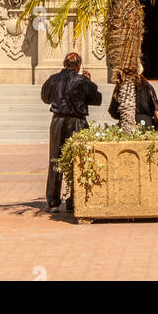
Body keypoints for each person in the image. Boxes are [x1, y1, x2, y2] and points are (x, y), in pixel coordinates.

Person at [40, 52, 102, 212]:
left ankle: (52, 201)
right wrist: (88, 81)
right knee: (78, 159)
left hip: (58, 120)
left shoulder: (53, 79)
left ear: (63, 63)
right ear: (79, 65)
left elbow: (45, 97)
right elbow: (96, 99)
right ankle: (73, 200)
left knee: (55, 159)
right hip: (76, 121)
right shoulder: (82, 81)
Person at [108, 67, 158, 131]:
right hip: (146, 125)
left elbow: (113, 111)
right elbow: (155, 108)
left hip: (126, 125)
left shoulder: (121, 87)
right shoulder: (148, 86)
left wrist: (124, 115)